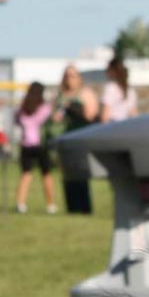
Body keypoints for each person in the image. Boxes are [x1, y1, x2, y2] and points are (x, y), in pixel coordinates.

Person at [53, 64, 97, 214]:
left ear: (79, 78)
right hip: (65, 138)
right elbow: (55, 117)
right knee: (67, 174)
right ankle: (71, 208)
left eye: (72, 75)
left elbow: (91, 116)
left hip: (80, 138)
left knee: (81, 174)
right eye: (66, 75)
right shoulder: (60, 95)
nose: (69, 79)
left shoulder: (85, 93)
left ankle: (84, 207)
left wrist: (73, 108)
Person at [13, 82, 57, 214]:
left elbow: (16, 120)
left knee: (26, 174)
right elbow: (51, 119)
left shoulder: (22, 109)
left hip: (25, 144)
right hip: (40, 144)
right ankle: (50, 204)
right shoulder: (44, 108)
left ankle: (20, 203)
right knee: (46, 174)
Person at [100, 57, 138, 123]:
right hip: (123, 125)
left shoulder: (111, 88)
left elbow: (105, 115)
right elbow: (134, 114)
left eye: (107, 70)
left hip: (112, 125)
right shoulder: (130, 89)